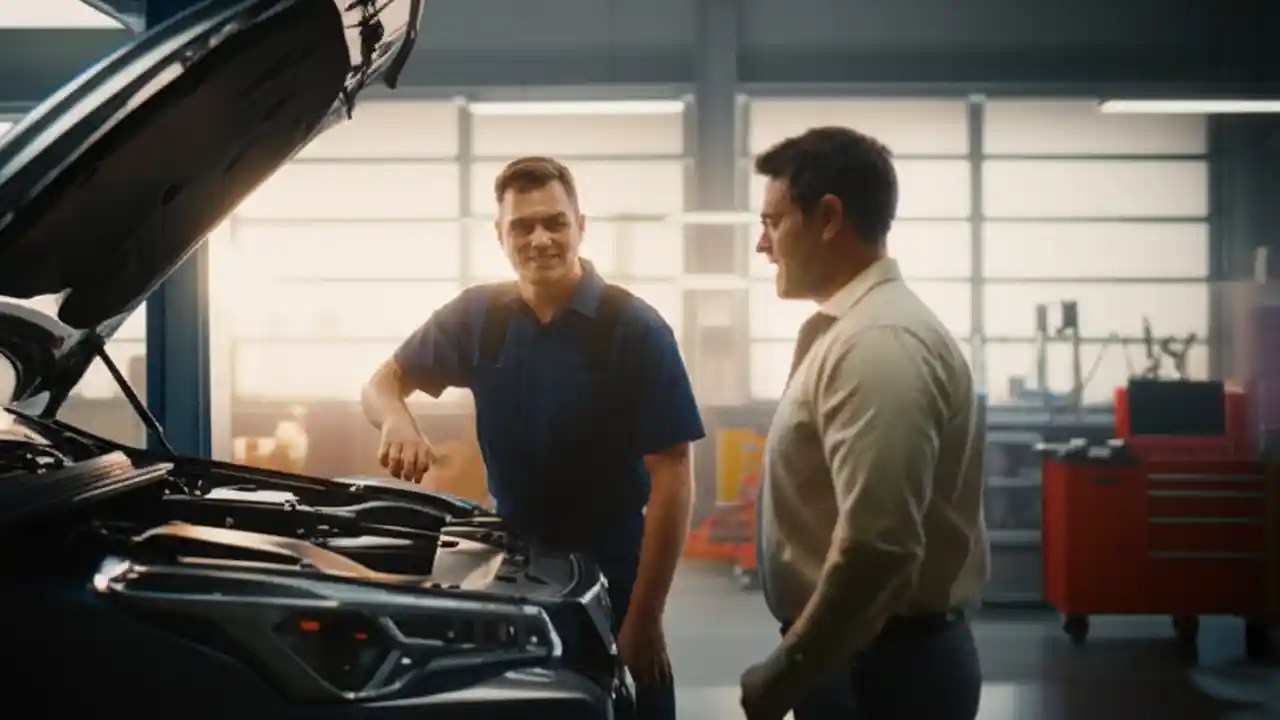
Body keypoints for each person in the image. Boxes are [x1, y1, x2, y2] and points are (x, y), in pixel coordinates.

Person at [360, 156, 704, 720]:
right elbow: (381, 383)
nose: (540, 239)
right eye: (522, 226)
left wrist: (645, 618)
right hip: (512, 575)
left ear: (580, 227)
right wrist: (397, 419)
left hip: (612, 579)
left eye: (555, 222)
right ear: (501, 235)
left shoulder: (634, 330)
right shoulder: (479, 316)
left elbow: (674, 474)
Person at [738, 126, 989, 720]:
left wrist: (787, 669)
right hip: (863, 655)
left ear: (828, 218)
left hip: (883, 672)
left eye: (773, 222)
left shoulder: (878, 344)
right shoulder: (858, 331)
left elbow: (879, 546)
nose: (762, 245)